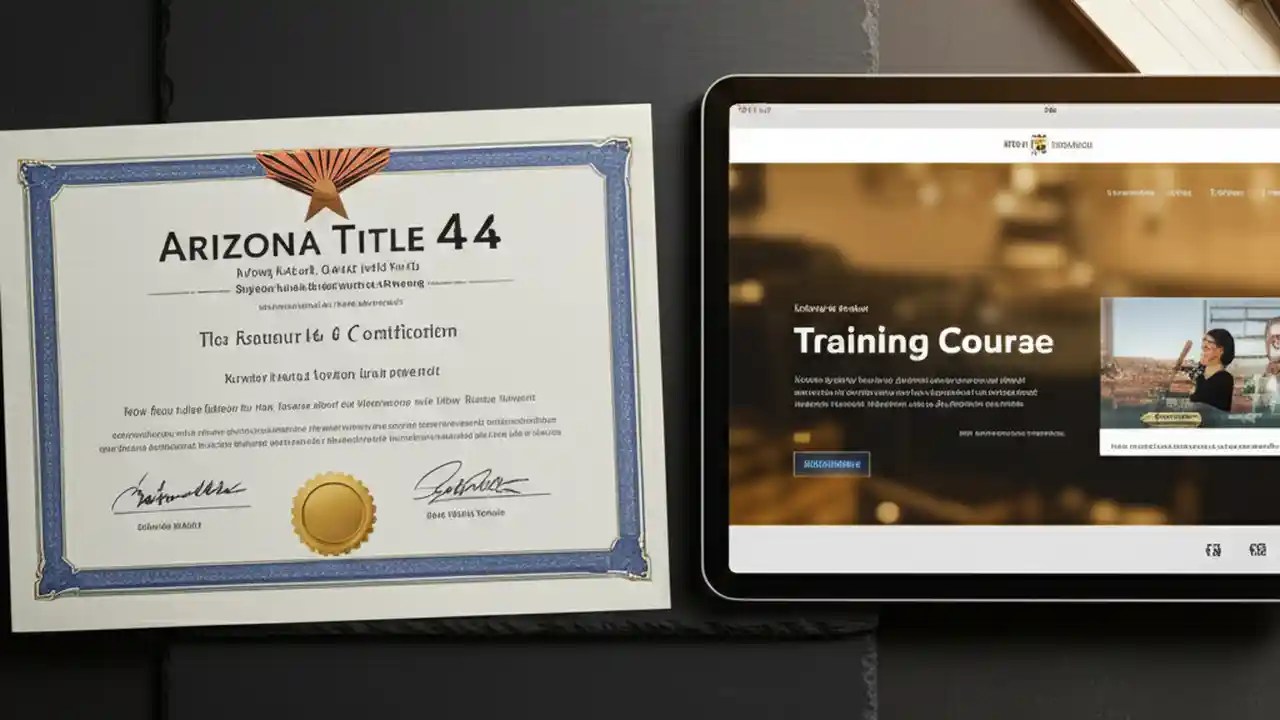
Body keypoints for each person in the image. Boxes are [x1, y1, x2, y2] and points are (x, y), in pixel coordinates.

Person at [1188, 328, 1236, 413]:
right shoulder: (1199, 376)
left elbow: (1202, 405)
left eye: (1209, 344)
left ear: (1221, 350)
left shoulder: (1224, 379)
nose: (1203, 348)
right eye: (1204, 341)